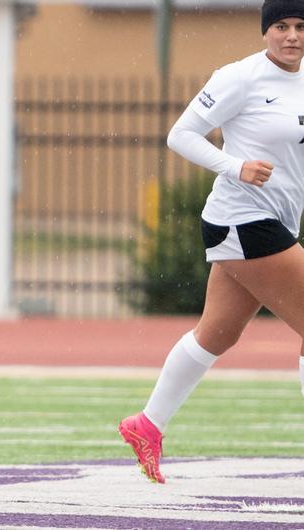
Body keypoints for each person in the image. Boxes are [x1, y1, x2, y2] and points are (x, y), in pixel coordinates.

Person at [119, 0, 304, 484]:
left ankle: (147, 425)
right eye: (281, 25)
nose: (291, 35)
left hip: (274, 222)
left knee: (215, 335)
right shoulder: (240, 76)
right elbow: (180, 135)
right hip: (242, 218)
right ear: (266, 31)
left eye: (301, 26)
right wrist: (234, 165)